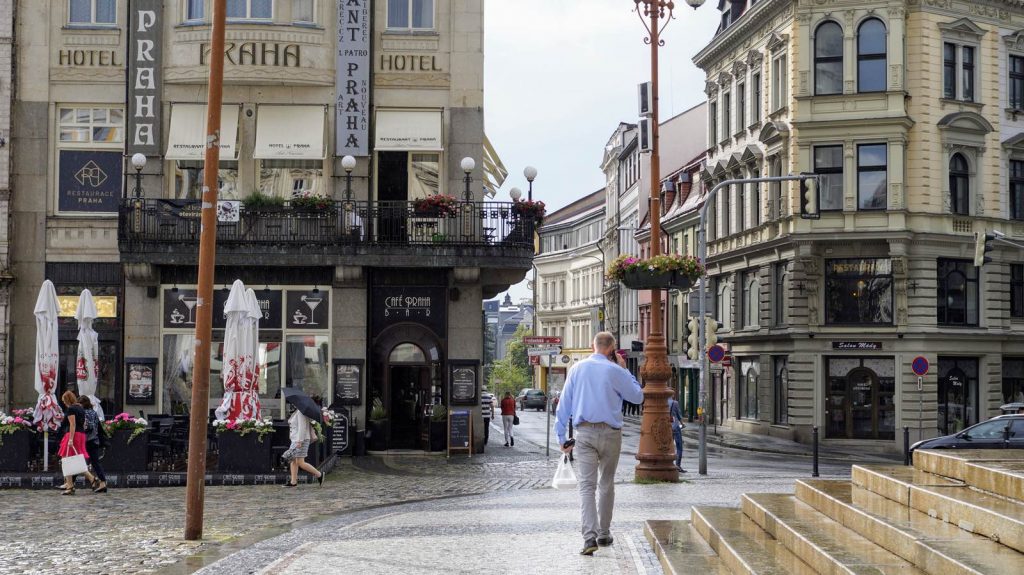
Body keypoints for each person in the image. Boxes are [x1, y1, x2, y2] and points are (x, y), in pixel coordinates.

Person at [555, 332, 643, 556]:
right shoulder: (615, 370)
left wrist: (561, 438)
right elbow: (637, 397)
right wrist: (624, 369)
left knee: (587, 486)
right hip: (611, 433)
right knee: (606, 483)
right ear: (612, 349)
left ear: (592, 346)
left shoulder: (576, 369)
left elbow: (564, 405)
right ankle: (604, 533)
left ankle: (589, 537)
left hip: (584, 433)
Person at [56, 391, 96, 495]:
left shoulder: (71, 409)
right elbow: (82, 423)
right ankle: (91, 478)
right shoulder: (80, 408)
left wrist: (70, 439)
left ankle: (70, 486)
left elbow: (72, 425)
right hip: (81, 434)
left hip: (73, 435)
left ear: (67, 400)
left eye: (64, 401)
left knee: (66, 460)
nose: (64, 403)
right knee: (75, 460)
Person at [282, 407, 324, 487]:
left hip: (301, 440)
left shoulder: (301, 412)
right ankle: (293, 482)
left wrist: (300, 441)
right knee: (293, 460)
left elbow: (302, 427)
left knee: (300, 462)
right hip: (296, 439)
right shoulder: (298, 412)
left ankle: (319, 474)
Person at [78, 396, 108, 493]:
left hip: (87, 441)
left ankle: (71, 484)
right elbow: (98, 427)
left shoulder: (85, 413)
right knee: (95, 463)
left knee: (79, 462)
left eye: (79, 404)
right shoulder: (93, 412)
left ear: (82, 404)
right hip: (94, 440)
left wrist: (80, 428)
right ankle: (102, 483)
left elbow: (89, 426)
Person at [669, 390, 686, 473]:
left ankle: (669, 464)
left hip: (667, 427)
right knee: (679, 447)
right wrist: (682, 424)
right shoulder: (675, 403)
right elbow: (679, 415)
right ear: (672, 395)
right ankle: (678, 465)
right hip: (675, 427)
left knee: (669, 447)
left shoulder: (664, 402)